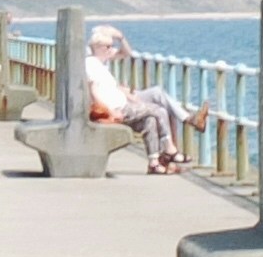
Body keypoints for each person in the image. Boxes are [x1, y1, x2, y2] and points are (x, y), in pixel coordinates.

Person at [81, 25, 190, 173]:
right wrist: (110, 112)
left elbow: (127, 53)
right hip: (116, 110)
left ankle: (154, 163)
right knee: (158, 110)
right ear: (99, 47)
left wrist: (121, 37)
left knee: (149, 120)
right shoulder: (91, 64)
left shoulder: (101, 63)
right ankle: (170, 149)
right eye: (108, 46)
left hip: (122, 105)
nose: (111, 49)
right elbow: (93, 92)